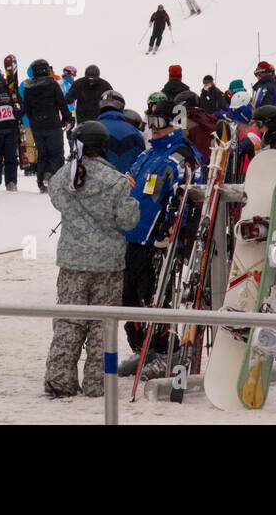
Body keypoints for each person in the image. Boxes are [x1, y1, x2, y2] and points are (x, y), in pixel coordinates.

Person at [44, 120, 140, 398]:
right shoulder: (117, 181)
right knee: (103, 325)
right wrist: (129, 194)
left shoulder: (64, 177)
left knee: (69, 320)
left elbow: (57, 199)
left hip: (72, 262)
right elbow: (129, 220)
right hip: (108, 264)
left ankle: (59, 379)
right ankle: (99, 383)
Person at [120, 93, 200, 376]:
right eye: (149, 121)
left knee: (154, 298)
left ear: (175, 123)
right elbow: (127, 180)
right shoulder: (147, 153)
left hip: (157, 241)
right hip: (131, 236)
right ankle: (142, 348)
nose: (153, 128)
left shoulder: (181, 155)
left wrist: (170, 229)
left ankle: (166, 351)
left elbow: (188, 194)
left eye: (159, 122)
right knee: (127, 299)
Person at [22, 58, 72, 193]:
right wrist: (67, 118)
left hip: (37, 126)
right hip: (52, 123)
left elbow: (27, 108)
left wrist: (34, 121)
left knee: (42, 154)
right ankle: (56, 180)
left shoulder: (28, 88)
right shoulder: (52, 84)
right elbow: (61, 103)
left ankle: (41, 183)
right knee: (56, 153)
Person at [97, 90, 145, 174]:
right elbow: (141, 164)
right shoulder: (136, 134)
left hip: (94, 185)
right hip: (127, 184)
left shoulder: (89, 130)